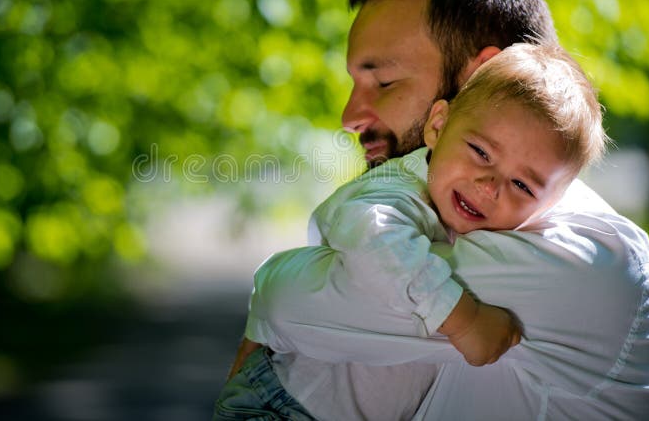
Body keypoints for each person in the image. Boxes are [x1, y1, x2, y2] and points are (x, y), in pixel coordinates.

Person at [222, 0, 649, 420]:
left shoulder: (587, 258)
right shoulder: (481, 212)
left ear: (478, 73)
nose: (350, 117)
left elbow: (294, 303)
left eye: (384, 81)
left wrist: (272, 282)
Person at [214, 42, 608, 420]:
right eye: (480, 152)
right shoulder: (399, 190)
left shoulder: (513, 236)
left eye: (523, 186)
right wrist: (464, 319)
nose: (489, 186)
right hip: (287, 405)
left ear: (552, 205)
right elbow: (371, 237)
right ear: (438, 125)